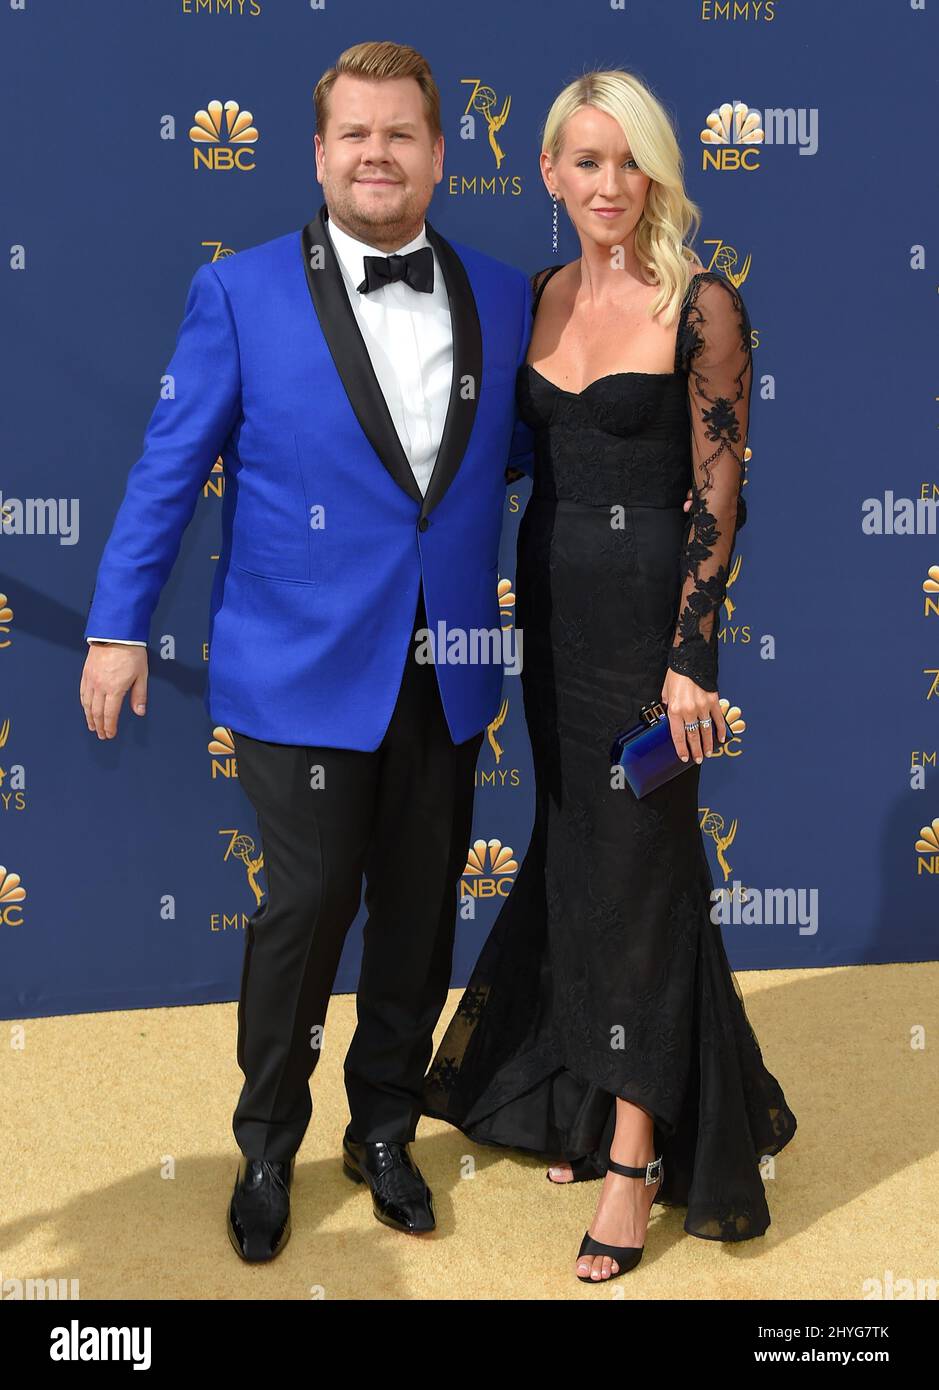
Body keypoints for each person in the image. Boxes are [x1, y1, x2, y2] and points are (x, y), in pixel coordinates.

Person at [78, 40, 544, 1263]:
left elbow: (541, 457)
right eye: (356, 133)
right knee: (303, 910)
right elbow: (169, 467)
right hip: (297, 670)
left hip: (445, 664)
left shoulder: (505, 294)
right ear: (320, 151)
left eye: (402, 133)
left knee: (418, 916)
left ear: (442, 156)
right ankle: (269, 1140)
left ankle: (383, 1127)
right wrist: (119, 622)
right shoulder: (238, 292)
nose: (378, 153)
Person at [422, 69, 797, 1284]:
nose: (607, 184)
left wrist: (692, 660)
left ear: (656, 174)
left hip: (649, 632)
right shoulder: (535, 297)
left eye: (627, 162)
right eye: (585, 161)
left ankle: (637, 1158)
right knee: (583, 849)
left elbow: (720, 494)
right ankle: (592, 1088)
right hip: (555, 621)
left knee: (643, 867)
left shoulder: (704, 306)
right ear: (548, 174)